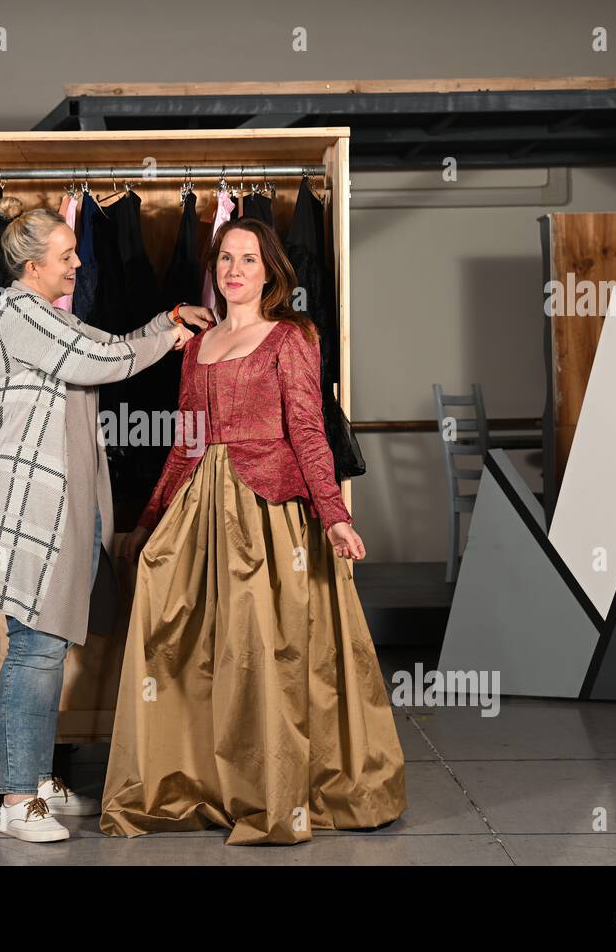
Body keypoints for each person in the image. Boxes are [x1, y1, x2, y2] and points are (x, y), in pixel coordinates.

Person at [100, 218, 407, 846]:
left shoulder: (290, 338)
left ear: (270, 272)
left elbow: (310, 433)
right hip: (200, 512)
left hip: (266, 516)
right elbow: (185, 445)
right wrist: (149, 521)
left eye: (248, 259)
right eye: (225, 259)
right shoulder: (198, 343)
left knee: (264, 656)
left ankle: (276, 793)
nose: (234, 269)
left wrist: (336, 516)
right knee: (189, 647)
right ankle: (200, 784)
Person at [0, 206, 213, 842]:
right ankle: (17, 796)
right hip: (32, 507)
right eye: (65, 255)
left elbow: (102, 349)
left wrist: (166, 324)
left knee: (46, 644)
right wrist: (168, 332)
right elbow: (101, 360)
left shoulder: (48, 314)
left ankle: (33, 776)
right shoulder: (14, 311)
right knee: (34, 647)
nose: (77, 263)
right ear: (32, 266)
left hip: (63, 506)